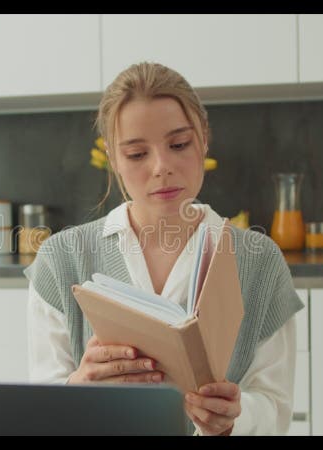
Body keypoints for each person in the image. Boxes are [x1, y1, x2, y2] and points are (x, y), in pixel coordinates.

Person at [24, 62, 304, 436]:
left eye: (178, 144)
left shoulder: (259, 262)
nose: (161, 167)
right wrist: (78, 391)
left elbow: (275, 409)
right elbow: (40, 416)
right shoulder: (61, 260)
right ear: (114, 159)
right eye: (138, 154)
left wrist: (235, 418)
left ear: (204, 138)